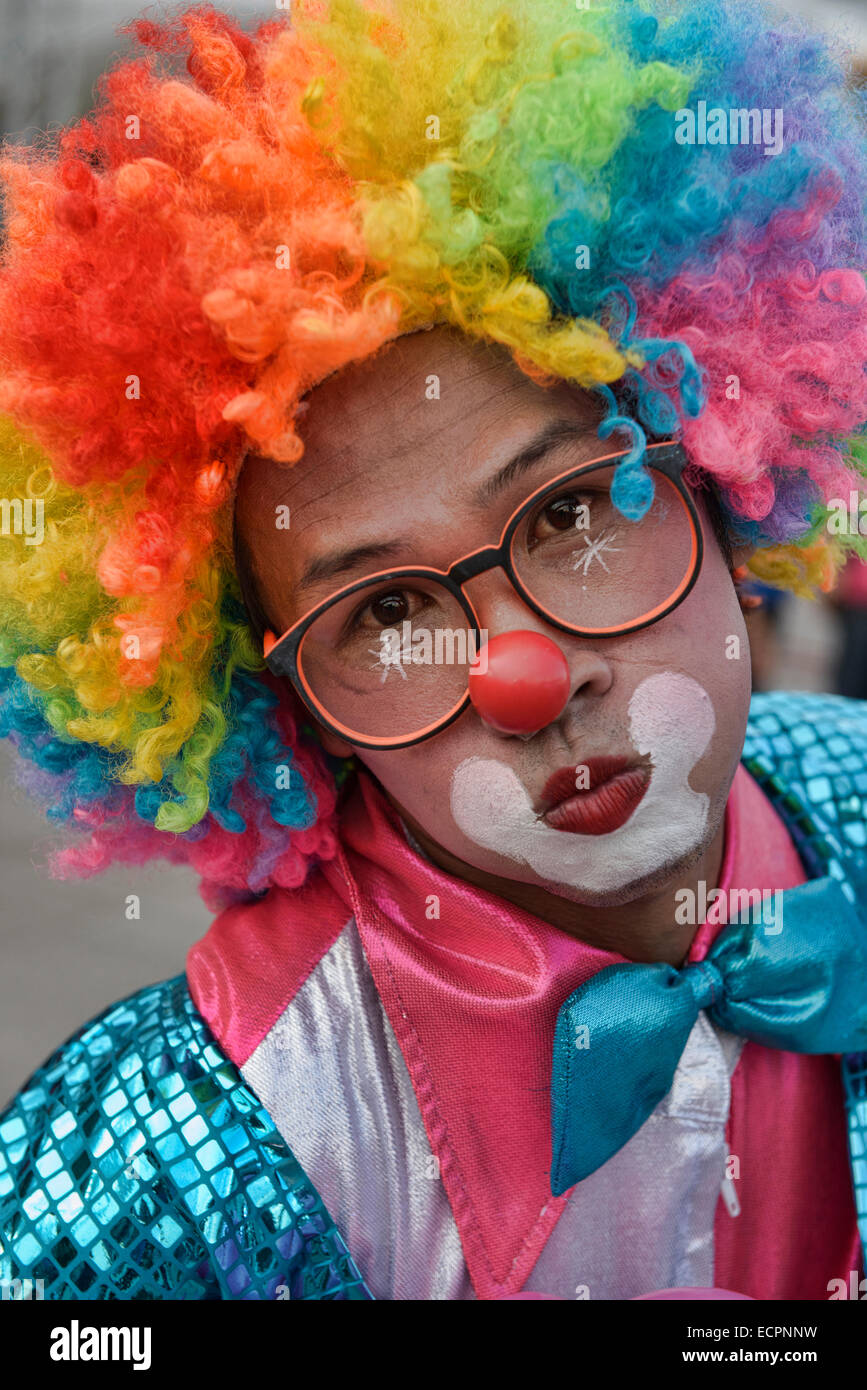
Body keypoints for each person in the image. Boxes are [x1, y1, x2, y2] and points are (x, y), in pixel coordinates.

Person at [0, 0, 866, 1301]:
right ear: (287, 712)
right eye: (387, 614)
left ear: (723, 472)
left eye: (575, 510)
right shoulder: (181, 1159)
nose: (528, 674)